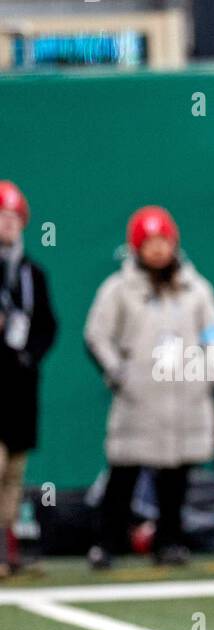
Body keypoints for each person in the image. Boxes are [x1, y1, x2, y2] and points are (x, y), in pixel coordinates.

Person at [84, 207, 214, 569]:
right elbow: (97, 336)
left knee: (175, 478)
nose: (159, 250)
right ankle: (108, 542)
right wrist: (120, 373)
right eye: (150, 244)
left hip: (186, 400)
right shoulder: (118, 290)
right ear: (136, 248)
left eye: (164, 241)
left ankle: (170, 541)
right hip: (139, 400)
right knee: (124, 473)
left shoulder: (196, 289)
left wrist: (211, 373)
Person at [0, 180, 58, 577]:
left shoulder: (31, 273)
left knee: (15, 471)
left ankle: (6, 544)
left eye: (13, 218)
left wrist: (28, 354)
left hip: (19, 386)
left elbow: (47, 326)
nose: (7, 225)